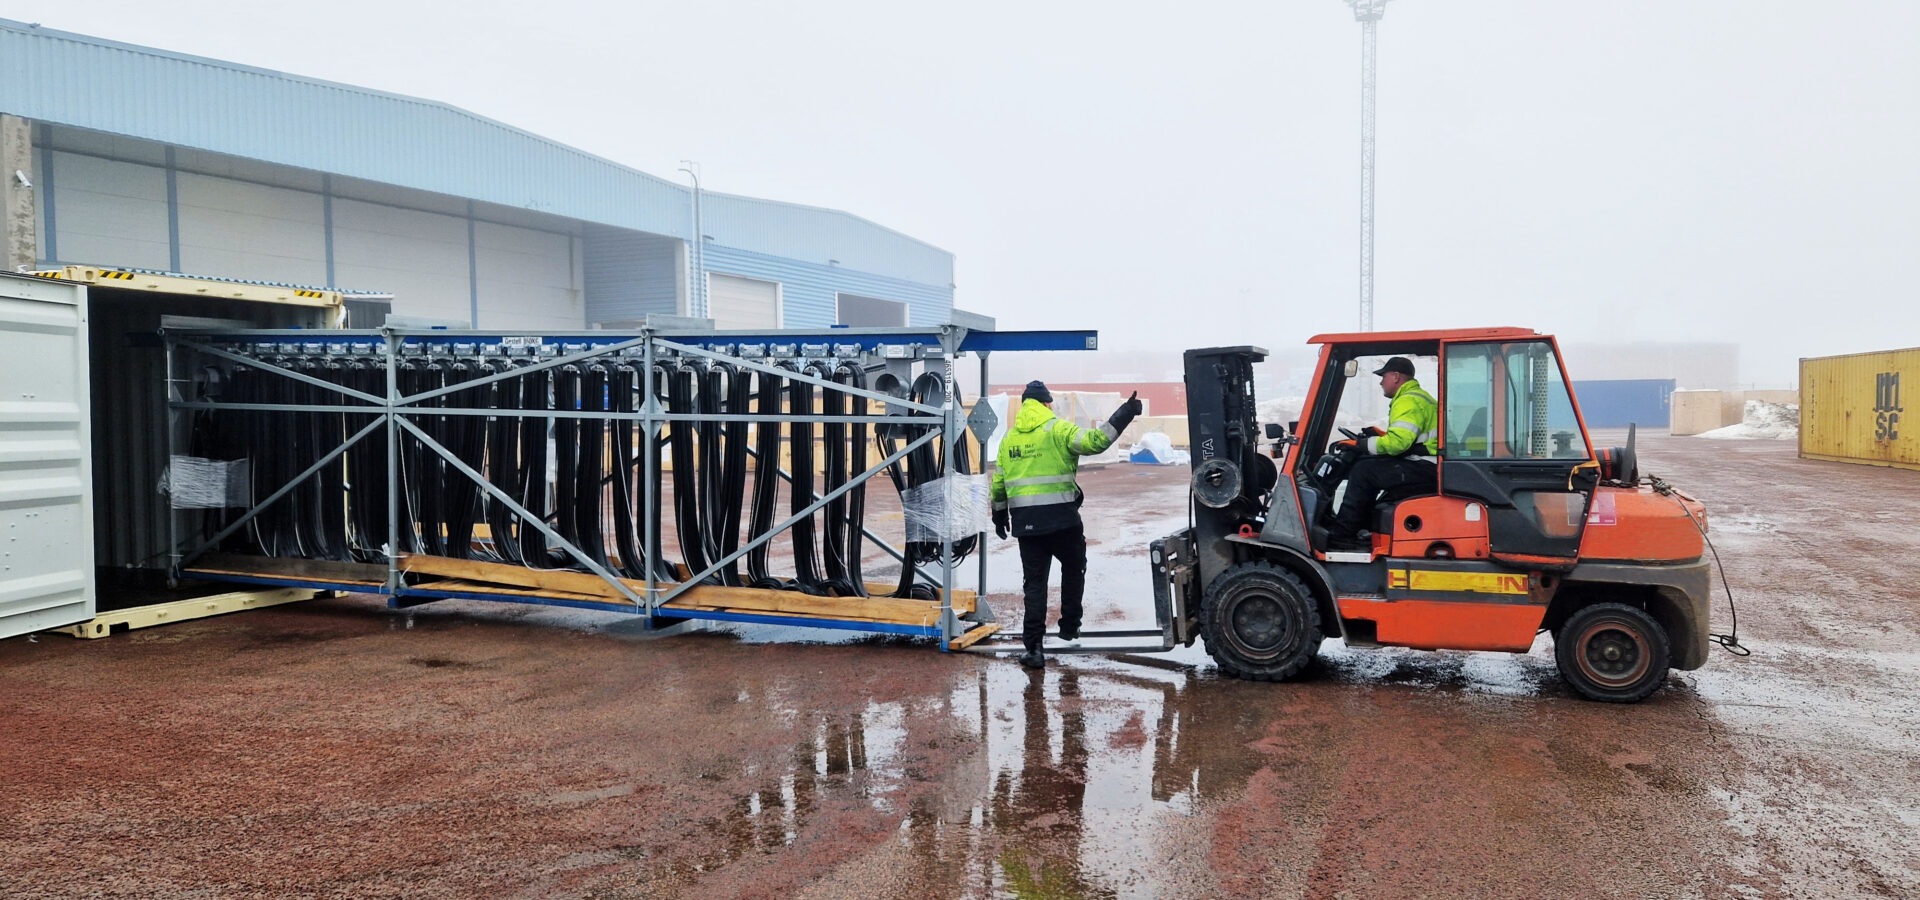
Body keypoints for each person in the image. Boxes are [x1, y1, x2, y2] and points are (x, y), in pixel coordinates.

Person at [990, 381, 1141, 668]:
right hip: (1063, 521)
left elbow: (998, 483)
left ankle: (1034, 649)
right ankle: (1070, 626)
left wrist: (999, 516)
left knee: (1035, 585)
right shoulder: (1058, 429)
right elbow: (1096, 441)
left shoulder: (1010, 439)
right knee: (1074, 567)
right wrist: (1126, 412)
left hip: (1027, 526)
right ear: (1046, 404)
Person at [1328, 356, 1438, 549]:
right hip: (1428, 463)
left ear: (1395, 376)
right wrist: (1381, 435)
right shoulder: (1420, 397)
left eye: (1383, 376)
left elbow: (1397, 444)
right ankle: (1363, 528)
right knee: (1368, 465)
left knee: (1363, 471)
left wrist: (1361, 445)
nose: (1381, 382)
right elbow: (1410, 436)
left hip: (1423, 466)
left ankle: (1343, 535)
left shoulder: (1408, 400)